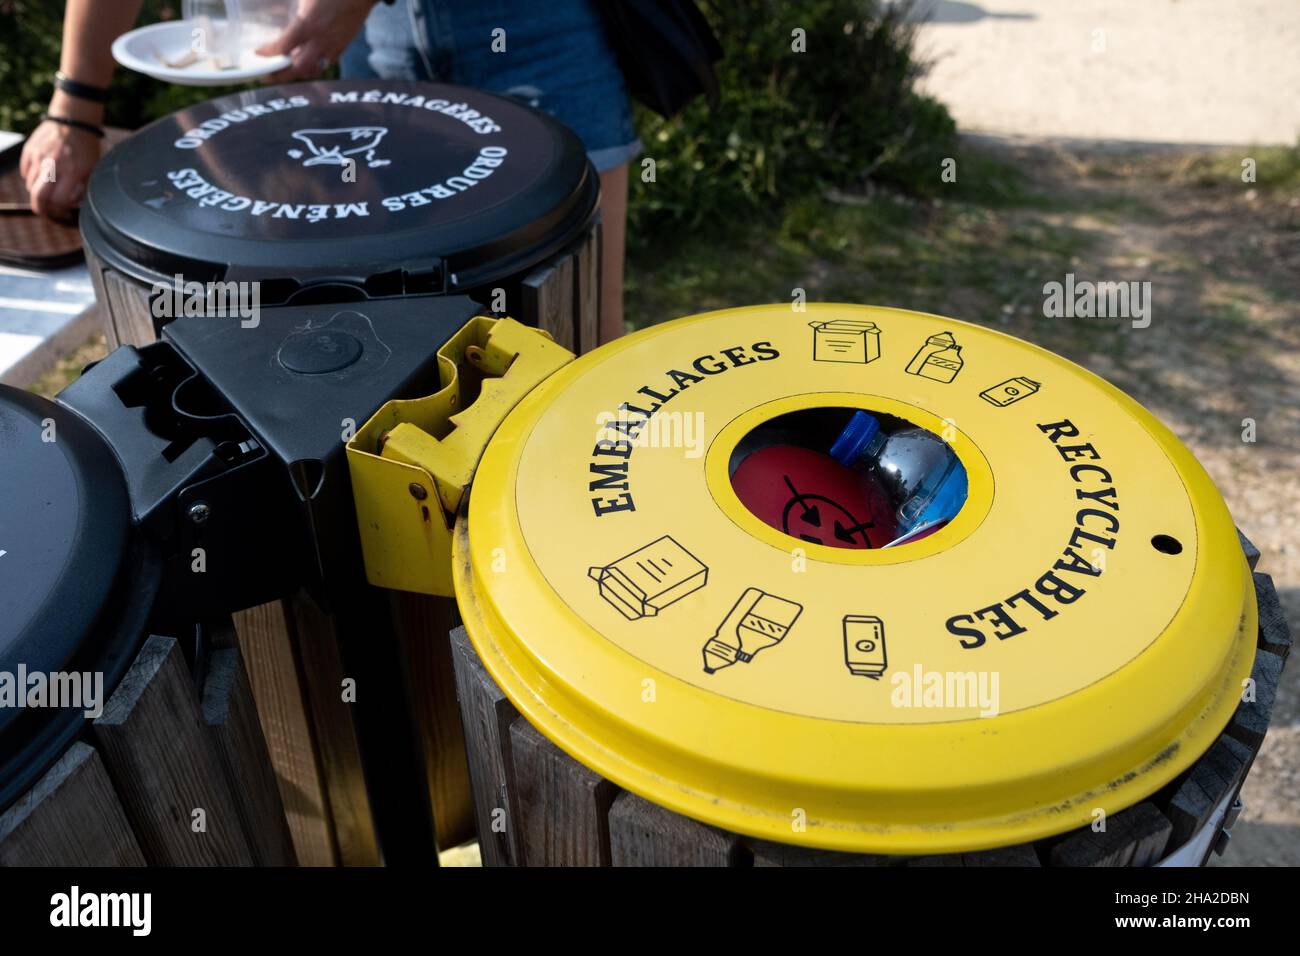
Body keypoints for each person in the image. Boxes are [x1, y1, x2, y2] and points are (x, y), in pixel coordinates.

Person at [21, 0, 638, 342]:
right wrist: (74, 107)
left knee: (574, 333)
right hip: (379, 41)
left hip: (537, 31)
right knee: (394, 339)